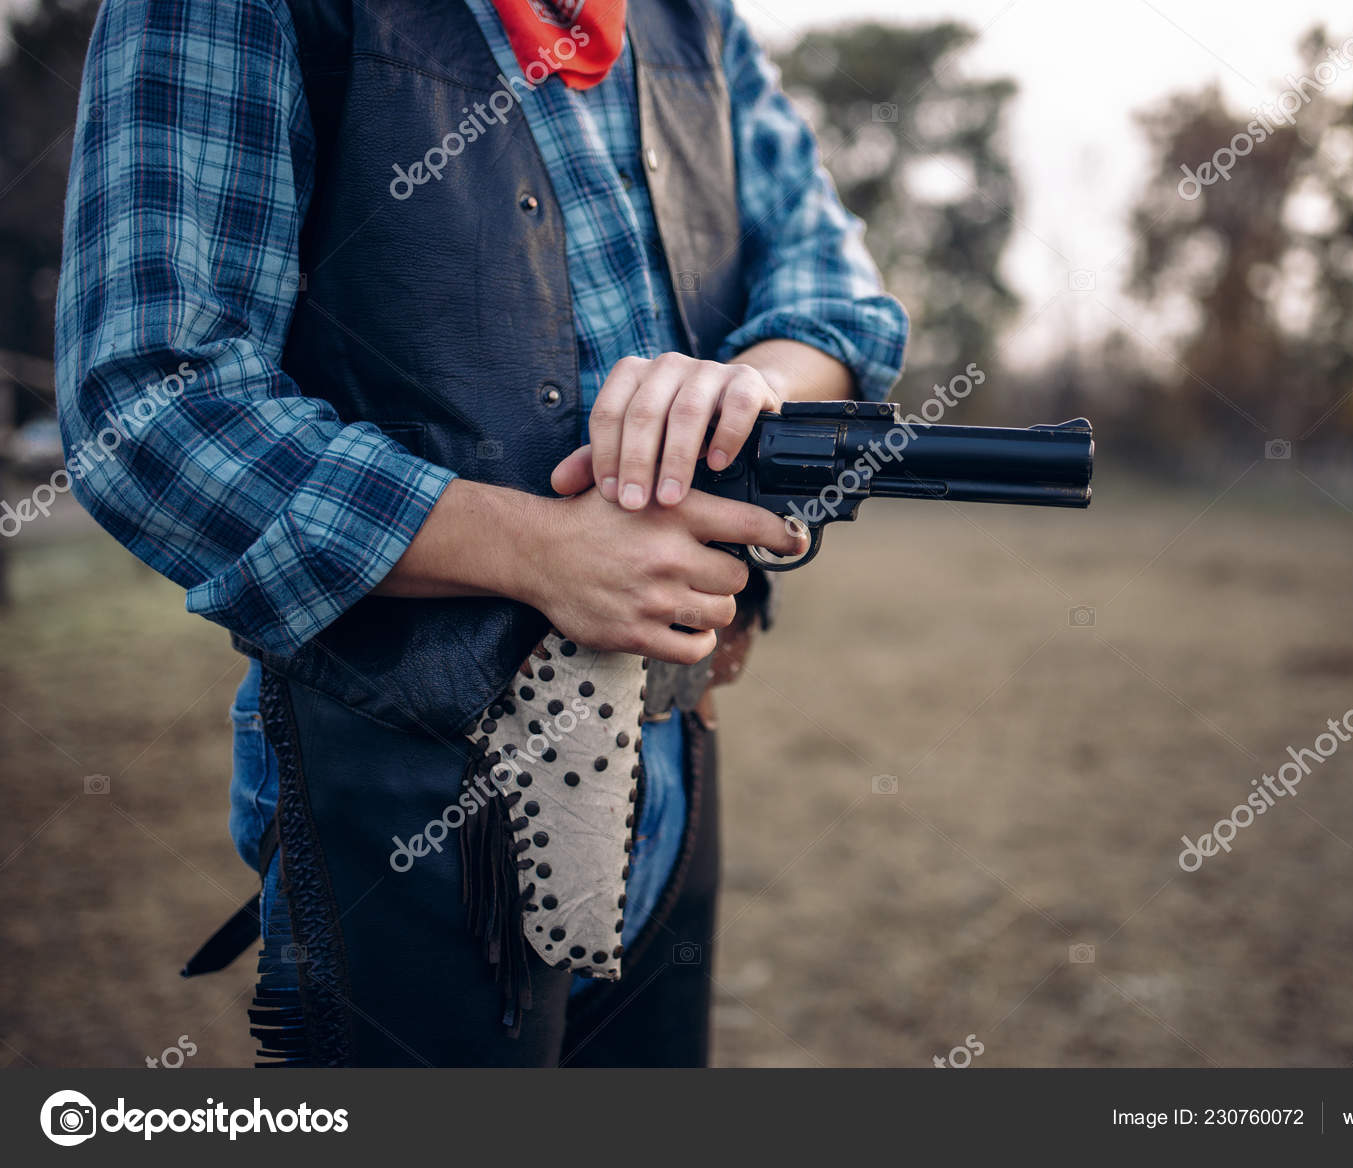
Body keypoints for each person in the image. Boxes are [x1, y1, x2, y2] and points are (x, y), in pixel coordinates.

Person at [56, 0, 907, 1067]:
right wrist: (536, 550)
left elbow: (838, 293)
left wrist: (739, 390)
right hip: (407, 777)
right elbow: (154, 404)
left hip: (668, 749)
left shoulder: (696, 19)